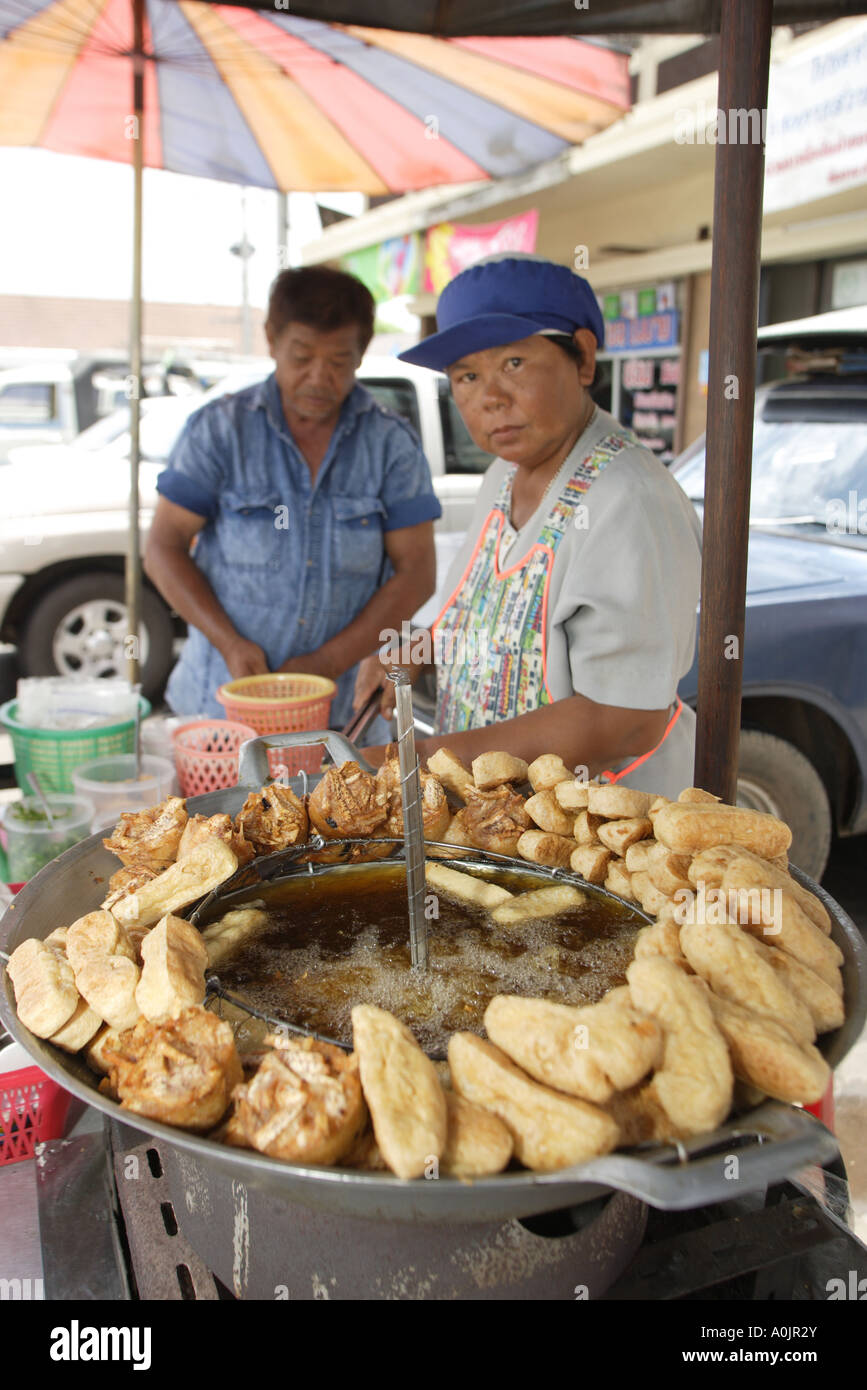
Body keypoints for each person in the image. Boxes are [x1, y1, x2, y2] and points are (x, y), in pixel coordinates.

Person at [354, 254, 702, 798]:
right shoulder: (503, 474)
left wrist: (422, 757)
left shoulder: (628, 499)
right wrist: (417, 650)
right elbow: (489, 620)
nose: (490, 397)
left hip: (592, 834)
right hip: (494, 819)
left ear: (583, 358)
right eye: (467, 376)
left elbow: (628, 717)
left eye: (513, 363)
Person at [145, 266, 441, 730]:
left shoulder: (391, 445)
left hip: (343, 726)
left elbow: (417, 572)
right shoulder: (220, 430)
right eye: (301, 356)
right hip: (220, 715)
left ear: (362, 353)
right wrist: (229, 643)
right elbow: (162, 548)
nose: (319, 378)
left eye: (339, 361)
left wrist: (327, 661)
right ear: (271, 339)